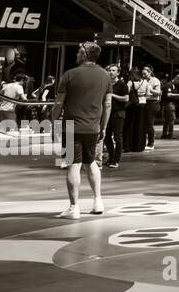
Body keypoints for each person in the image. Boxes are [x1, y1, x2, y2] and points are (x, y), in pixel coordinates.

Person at [50, 42, 112, 219]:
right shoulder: (105, 75)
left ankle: (74, 207)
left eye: (79, 51)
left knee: (73, 165)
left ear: (85, 54)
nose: (76, 54)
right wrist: (104, 126)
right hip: (93, 127)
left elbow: (59, 103)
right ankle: (98, 201)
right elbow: (107, 104)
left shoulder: (70, 74)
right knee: (91, 162)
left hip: (71, 126)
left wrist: (53, 122)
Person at [104, 67, 129, 168]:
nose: (111, 72)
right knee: (107, 137)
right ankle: (110, 157)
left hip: (118, 113)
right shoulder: (107, 84)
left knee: (118, 137)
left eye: (113, 70)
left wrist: (112, 95)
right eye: (110, 70)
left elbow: (126, 98)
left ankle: (116, 160)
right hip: (107, 113)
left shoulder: (122, 84)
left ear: (118, 73)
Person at [141, 65, 161, 150]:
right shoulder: (143, 80)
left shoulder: (155, 80)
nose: (143, 75)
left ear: (149, 73)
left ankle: (151, 143)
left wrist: (150, 89)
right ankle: (143, 142)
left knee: (149, 123)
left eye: (145, 73)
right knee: (144, 123)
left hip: (153, 103)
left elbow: (159, 92)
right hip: (145, 102)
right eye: (142, 74)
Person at [162, 73, 179, 139]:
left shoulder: (173, 85)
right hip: (169, 104)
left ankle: (164, 134)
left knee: (167, 120)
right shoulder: (169, 85)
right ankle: (170, 134)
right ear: (176, 79)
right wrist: (178, 95)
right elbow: (168, 94)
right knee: (172, 119)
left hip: (169, 104)